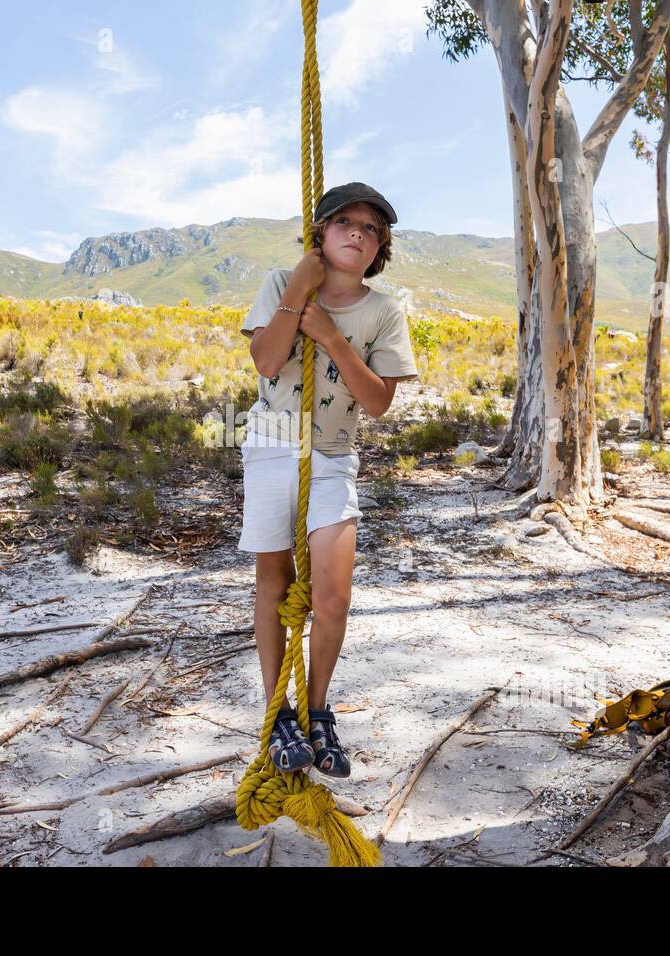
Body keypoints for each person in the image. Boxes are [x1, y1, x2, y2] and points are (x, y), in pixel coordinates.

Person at [237, 182, 419, 778]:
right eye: (345, 222)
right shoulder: (277, 283)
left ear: (379, 247)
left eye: (370, 229)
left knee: (332, 595)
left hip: (332, 457)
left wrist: (333, 337)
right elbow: (267, 363)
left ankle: (319, 712)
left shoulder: (383, 311)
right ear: (322, 232)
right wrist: (296, 292)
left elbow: (377, 403)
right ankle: (277, 714)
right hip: (271, 448)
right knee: (274, 582)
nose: (357, 234)